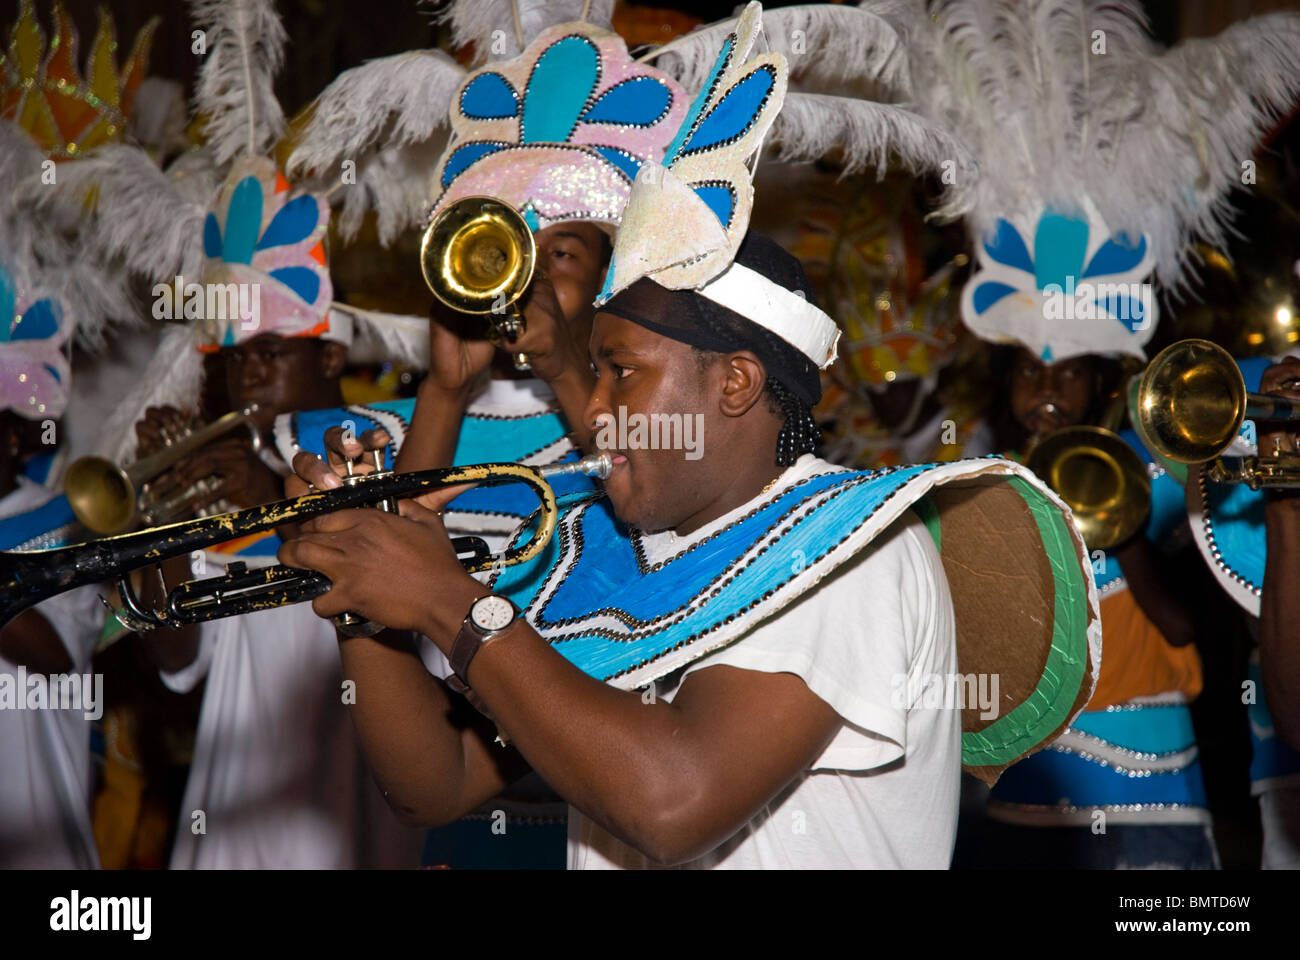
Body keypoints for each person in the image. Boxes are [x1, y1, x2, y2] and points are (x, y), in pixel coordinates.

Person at [276, 6, 1098, 869]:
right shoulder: (613, 554)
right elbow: (432, 786)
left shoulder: (844, 544)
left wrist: (450, 601)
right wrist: (365, 588)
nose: (592, 408)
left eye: (621, 371)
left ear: (736, 381)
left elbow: (672, 802)